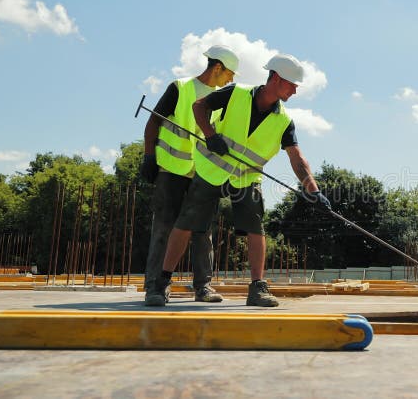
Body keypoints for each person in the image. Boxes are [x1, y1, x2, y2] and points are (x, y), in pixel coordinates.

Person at [147, 53, 330, 307]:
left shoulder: (284, 120)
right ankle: (161, 283)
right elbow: (199, 106)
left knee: (256, 228)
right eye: (292, 83)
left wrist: (313, 190)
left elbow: (297, 159)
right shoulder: (236, 93)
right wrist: (210, 135)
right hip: (211, 170)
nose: (296, 90)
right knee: (186, 223)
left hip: (246, 178)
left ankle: (257, 288)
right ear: (276, 78)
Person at [139, 45, 238, 306]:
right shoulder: (180, 88)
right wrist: (149, 156)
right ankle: (155, 288)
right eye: (230, 73)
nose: (231, 79)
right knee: (164, 228)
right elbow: (153, 122)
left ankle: (203, 287)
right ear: (217, 67)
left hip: (204, 174)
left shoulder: (223, 99)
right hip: (172, 169)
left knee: (203, 231)